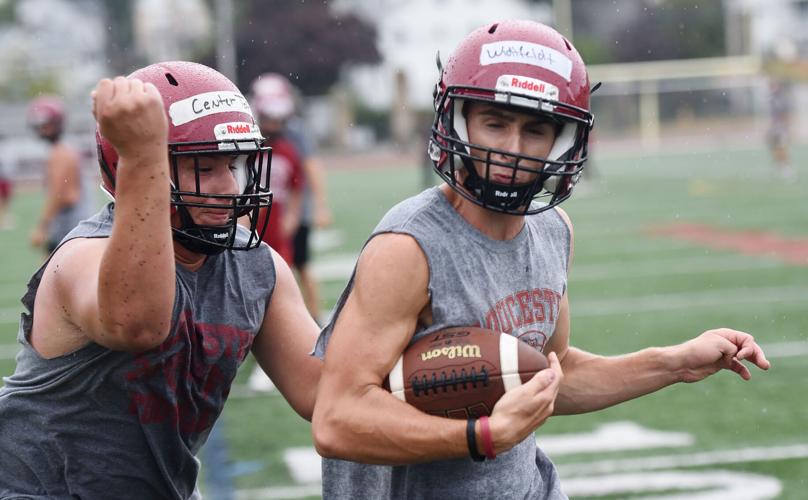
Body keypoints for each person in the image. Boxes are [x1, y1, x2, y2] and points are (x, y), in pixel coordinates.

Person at [310, 20, 770, 499]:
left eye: (535, 130)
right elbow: (337, 419)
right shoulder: (408, 247)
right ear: (458, 121)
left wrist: (675, 363)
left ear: (563, 141)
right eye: (495, 123)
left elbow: (552, 373)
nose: (512, 149)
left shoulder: (554, 229)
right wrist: (481, 436)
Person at [0, 61, 321, 498]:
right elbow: (138, 325)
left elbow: (321, 391)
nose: (229, 186)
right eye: (204, 168)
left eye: (233, 164)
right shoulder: (82, 257)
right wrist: (142, 156)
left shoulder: (256, 265)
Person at [247, 73, 332, 393]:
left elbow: (307, 171)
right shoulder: (253, 139)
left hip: (285, 220)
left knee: (298, 269)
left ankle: (313, 322)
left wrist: (313, 207)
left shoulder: (291, 140)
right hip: (258, 223)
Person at [27, 95, 94, 254]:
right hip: (75, 227)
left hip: (69, 228)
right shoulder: (65, 149)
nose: (42, 130)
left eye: (46, 125)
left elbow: (61, 195)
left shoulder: (59, 153)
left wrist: (42, 227)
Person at [767, 78, 797, 181]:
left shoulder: (781, 99)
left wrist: (785, 127)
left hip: (781, 127)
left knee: (781, 147)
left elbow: (785, 114)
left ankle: (786, 167)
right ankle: (780, 165)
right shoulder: (772, 99)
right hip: (776, 126)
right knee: (774, 146)